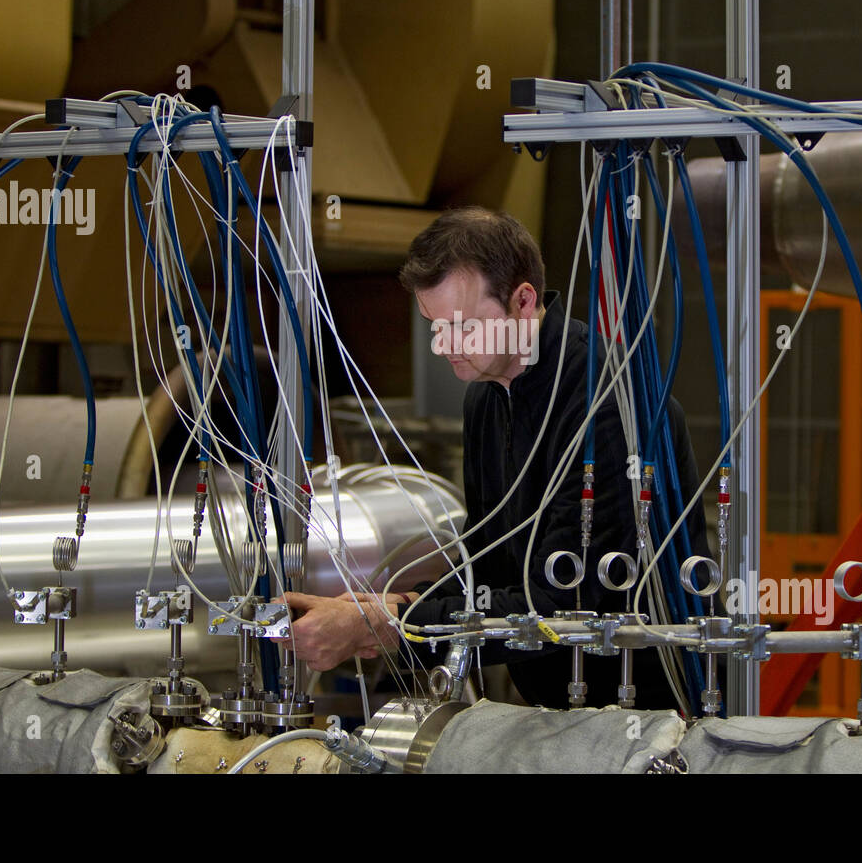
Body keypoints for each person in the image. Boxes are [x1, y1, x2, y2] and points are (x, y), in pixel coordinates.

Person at [275, 207, 710, 710]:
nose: (444, 347)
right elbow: (485, 556)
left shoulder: (607, 402)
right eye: (435, 327)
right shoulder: (485, 396)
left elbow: (565, 602)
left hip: (648, 708)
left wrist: (397, 624)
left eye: (461, 327)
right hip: (557, 707)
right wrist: (383, 607)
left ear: (524, 301)